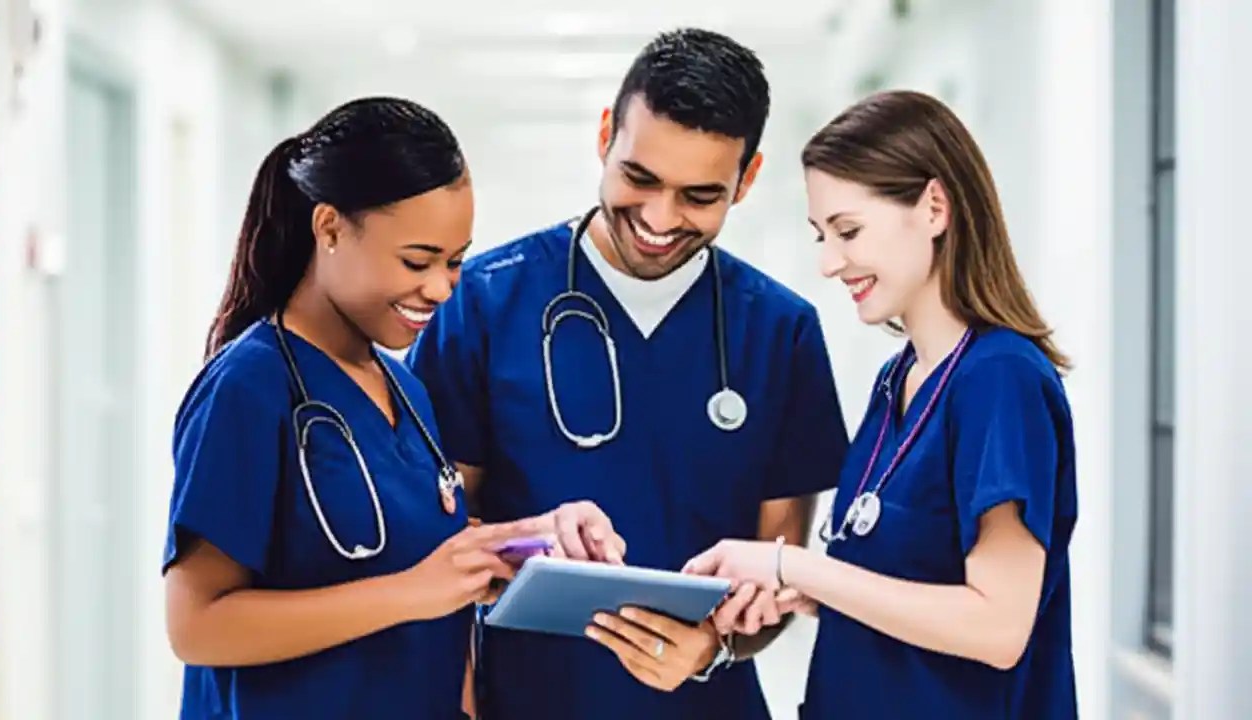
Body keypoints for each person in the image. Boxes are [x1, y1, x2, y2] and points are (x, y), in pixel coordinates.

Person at [406, 28, 850, 720]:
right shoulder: (484, 303)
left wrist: (713, 648)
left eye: (700, 196)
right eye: (639, 178)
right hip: (524, 701)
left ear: (749, 178)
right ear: (607, 134)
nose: (658, 217)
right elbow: (437, 542)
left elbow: (779, 572)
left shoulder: (780, 332)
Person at [160, 97, 623, 720]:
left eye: (455, 261)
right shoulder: (248, 388)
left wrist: (524, 539)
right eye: (417, 261)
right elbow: (197, 626)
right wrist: (411, 594)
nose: (440, 288)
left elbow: (417, 554)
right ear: (328, 229)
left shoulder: (404, 388)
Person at [683, 89, 1080, 719]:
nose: (829, 263)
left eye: (848, 231)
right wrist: (797, 592)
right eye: (820, 234)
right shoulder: (898, 382)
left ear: (934, 207)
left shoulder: (1000, 381)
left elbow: (997, 628)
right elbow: (906, 581)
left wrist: (797, 566)